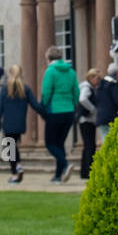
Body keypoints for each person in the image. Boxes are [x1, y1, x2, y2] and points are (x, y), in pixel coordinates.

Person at [39, 46, 79, 183]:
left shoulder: (50, 71)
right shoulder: (71, 72)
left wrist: (43, 106)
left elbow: (46, 92)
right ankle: (58, 175)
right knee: (60, 143)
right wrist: (73, 105)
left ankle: (66, 164)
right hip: (69, 111)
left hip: (55, 110)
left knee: (50, 143)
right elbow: (76, 92)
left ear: (48, 58)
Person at [0, 64, 36, 184]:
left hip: (8, 124)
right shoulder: (25, 88)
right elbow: (35, 105)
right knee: (13, 147)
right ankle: (18, 167)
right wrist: (45, 112)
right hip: (20, 125)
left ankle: (15, 172)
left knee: (9, 149)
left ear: (10, 73)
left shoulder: (5, 88)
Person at [77, 68, 100, 179]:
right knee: (90, 146)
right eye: (97, 78)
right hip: (86, 120)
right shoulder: (87, 87)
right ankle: (89, 171)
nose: (98, 81)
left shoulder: (88, 87)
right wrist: (93, 109)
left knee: (88, 146)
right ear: (91, 78)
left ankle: (85, 172)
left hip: (87, 120)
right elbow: (83, 99)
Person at [95, 64, 118, 145]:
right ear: (117, 73)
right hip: (112, 117)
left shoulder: (100, 85)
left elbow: (96, 99)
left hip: (101, 116)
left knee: (105, 139)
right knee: (113, 141)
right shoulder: (113, 85)